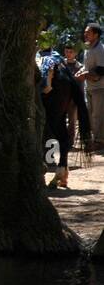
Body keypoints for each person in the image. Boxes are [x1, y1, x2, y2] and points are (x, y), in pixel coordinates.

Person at [45, 38, 92, 188]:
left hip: (69, 100)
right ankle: (62, 168)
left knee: (65, 125)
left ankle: (60, 168)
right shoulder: (61, 62)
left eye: (71, 50)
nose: (68, 52)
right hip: (69, 96)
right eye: (67, 50)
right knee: (61, 129)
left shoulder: (66, 63)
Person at [76, 22, 104, 152]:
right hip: (89, 87)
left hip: (100, 88)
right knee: (91, 114)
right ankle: (95, 140)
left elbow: (101, 70)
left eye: (88, 32)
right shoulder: (87, 48)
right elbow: (86, 66)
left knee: (98, 115)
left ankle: (99, 141)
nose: (85, 34)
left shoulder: (100, 49)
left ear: (96, 35)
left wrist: (85, 74)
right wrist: (81, 70)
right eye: (85, 32)